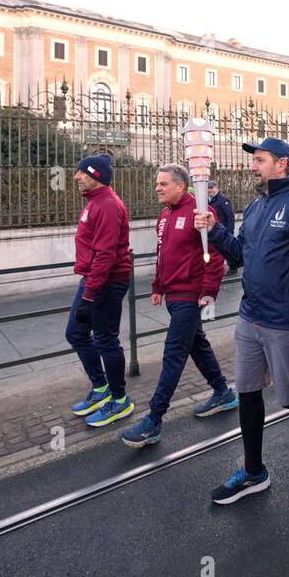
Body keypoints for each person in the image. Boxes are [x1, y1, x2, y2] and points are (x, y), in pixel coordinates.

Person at [193, 137, 289, 503]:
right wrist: (214, 229)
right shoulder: (256, 207)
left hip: (285, 322)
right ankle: (253, 471)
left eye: (259, 160)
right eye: (253, 160)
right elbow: (239, 254)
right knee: (247, 393)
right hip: (250, 317)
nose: (252, 166)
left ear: (282, 165)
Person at [120, 165, 236, 449]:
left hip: (190, 296)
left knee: (173, 354)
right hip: (172, 295)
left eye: (163, 184)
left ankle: (154, 420)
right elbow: (163, 254)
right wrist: (158, 286)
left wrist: (208, 293)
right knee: (197, 344)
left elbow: (214, 255)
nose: (157, 188)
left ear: (181, 186)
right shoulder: (163, 216)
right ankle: (223, 392)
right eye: (157, 183)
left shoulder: (200, 211)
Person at [67, 154, 137, 427]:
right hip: (94, 279)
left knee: (106, 339)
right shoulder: (95, 202)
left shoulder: (107, 205)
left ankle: (119, 401)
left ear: (95, 176)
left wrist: (88, 295)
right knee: (75, 332)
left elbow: (105, 255)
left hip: (106, 281)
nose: (75, 177)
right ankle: (100, 388)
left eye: (81, 172)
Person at [209, 179, 237, 275]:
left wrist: (230, 231)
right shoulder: (210, 199)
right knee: (218, 250)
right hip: (215, 230)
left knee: (227, 249)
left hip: (224, 229)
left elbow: (230, 216)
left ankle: (233, 267)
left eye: (212, 188)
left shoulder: (222, 199)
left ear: (217, 188)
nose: (210, 190)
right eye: (208, 188)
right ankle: (218, 268)